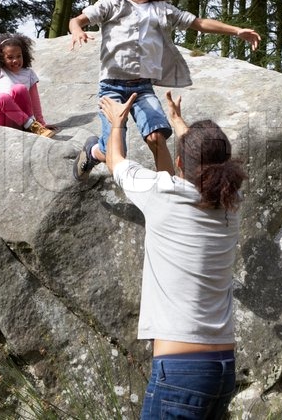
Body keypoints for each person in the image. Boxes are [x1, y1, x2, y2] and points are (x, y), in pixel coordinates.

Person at [99, 89, 246, 419]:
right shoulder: (230, 205)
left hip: (180, 371)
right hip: (222, 368)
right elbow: (206, 164)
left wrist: (117, 123)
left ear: (179, 162)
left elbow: (116, 162)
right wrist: (179, 123)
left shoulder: (161, 192)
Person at [68, 0, 261, 180]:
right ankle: (94, 150)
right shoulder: (113, 3)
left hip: (142, 87)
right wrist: (76, 30)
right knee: (116, 151)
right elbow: (78, 20)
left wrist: (235, 31)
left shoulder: (162, 9)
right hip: (112, 87)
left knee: (157, 135)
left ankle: (170, 190)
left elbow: (198, 23)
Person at [0, 33, 56, 138]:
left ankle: (34, 125)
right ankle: (31, 125)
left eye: (18, 56)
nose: (15, 60)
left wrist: (41, 122)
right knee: (2, 97)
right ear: (1, 58)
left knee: (20, 88)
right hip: (1, 119)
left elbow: (35, 100)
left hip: (20, 123)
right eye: (10, 57)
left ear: (23, 55)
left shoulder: (29, 73)